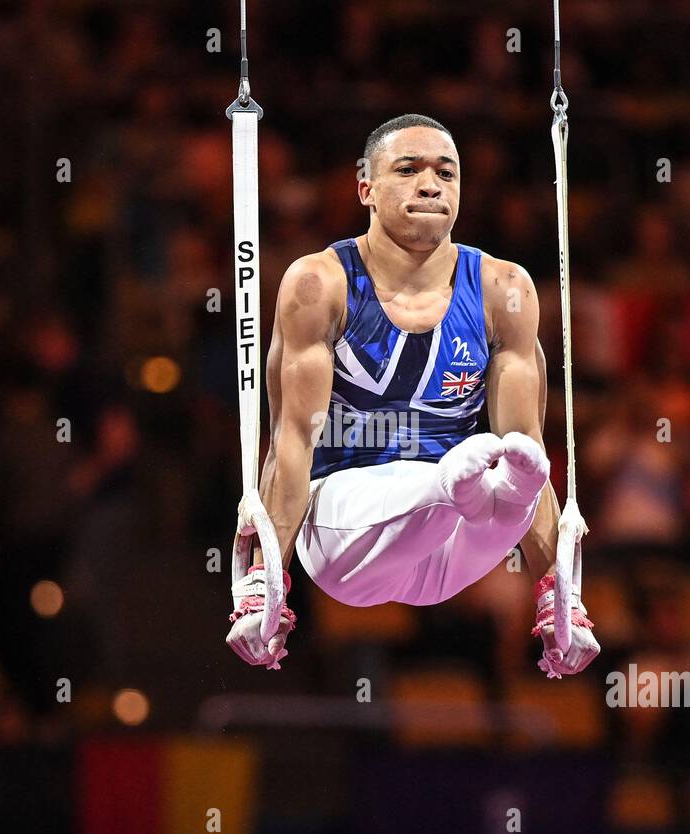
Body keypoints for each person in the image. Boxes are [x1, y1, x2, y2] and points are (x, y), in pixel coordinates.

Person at [225, 114, 599, 678]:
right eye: (408, 169)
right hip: (346, 532)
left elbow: (528, 440)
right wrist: (265, 582)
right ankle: (455, 481)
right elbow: (293, 442)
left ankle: (466, 486)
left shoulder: (504, 290)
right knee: (469, 478)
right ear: (365, 189)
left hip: (451, 547)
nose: (431, 184)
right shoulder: (320, 284)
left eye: (446, 172)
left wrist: (560, 595)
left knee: (520, 465)